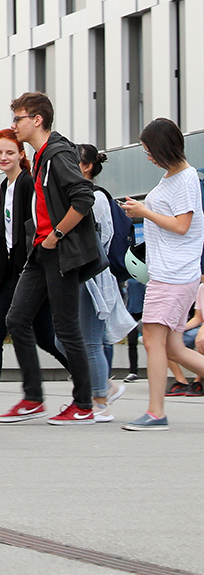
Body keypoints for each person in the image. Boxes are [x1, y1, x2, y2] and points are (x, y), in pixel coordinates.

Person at [0, 92, 99, 424]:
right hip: (41, 251)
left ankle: (83, 404)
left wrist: (56, 235)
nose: (14, 125)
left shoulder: (57, 153)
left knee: (66, 328)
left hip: (59, 251)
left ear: (36, 120)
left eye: (18, 119)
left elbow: (84, 198)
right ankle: (33, 398)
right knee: (16, 319)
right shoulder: (41, 157)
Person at [120, 117, 204, 429]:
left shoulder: (184, 179)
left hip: (172, 275)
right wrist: (142, 209)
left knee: (154, 341)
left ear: (163, 147)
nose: (148, 157)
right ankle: (156, 411)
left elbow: (182, 226)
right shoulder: (175, 177)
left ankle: (156, 412)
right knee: (173, 347)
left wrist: (144, 212)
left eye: (149, 150)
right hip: (173, 274)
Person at [0, 130, 61, 413]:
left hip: (29, 272)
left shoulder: (27, 184)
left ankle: (95, 382)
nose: (3, 157)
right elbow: (6, 238)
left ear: (21, 155)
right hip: (9, 274)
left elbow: (33, 230)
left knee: (43, 337)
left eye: (9, 153)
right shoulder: (5, 186)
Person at [74, 145, 135, 418]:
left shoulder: (94, 198)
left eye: (73, 162)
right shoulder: (82, 195)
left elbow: (99, 239)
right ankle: (103, 388)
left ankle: (100, 402)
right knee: (73, 339)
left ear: (87, 166)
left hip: (93, 277)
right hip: (86, 276)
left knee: (90, 341)